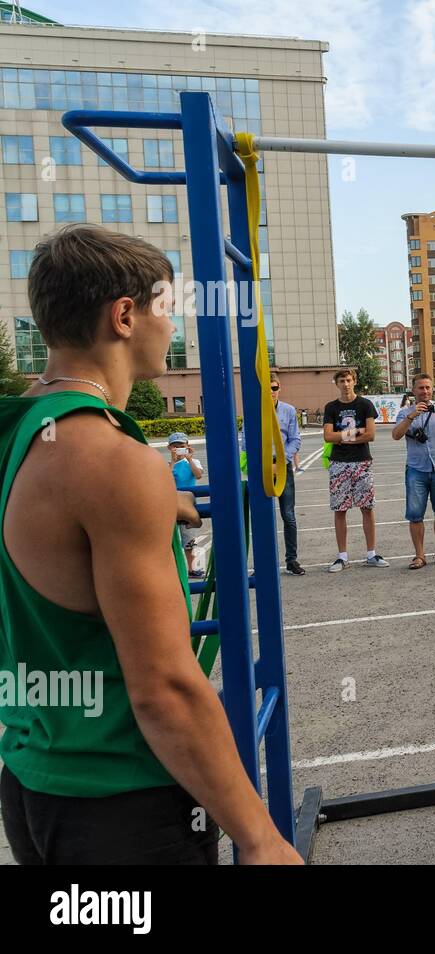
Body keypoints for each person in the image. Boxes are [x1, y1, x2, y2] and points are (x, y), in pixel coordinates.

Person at [0, 224, 299, 864]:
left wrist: (160, 504)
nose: (176, 327)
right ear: (125, 315)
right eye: (169, 309)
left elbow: (52, 540)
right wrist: (261, 838)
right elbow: (163, 688)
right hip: (124, 803)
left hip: (35, 785)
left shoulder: (22, 433)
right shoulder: (115, 462)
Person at [393, 372, 435, 568]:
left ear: (432, 389)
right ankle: (419, 555)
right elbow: (396, 435)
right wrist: (412, 416)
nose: (425, 391)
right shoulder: (404, 413)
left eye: (428, 387)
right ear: (413, 390)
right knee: (415, 514)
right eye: (421, 388)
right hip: (416, 469)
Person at [323, 369, 387, 572]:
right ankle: (342, 556)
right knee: (340, 509)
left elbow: (370, 435)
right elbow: (328, 437)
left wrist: (342, 436)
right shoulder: (331, 407)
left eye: (349, 380)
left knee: (367, 507)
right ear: (337, 383)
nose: (346, 384)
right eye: (342, 380)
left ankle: (371, 553)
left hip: (361, 461)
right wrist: (354, 432)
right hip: (339, 463)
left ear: (354, 382)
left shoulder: (365, 405)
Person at [240, 373, 305, 574]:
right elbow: (244, 440)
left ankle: (292, 560)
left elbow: (295, 440)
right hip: (261, 468)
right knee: (261, 515)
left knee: (288, 515)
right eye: (267, 389)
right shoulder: (253, 412)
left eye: (274, 388)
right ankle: (263, 562)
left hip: (282, 467)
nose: (271, 392)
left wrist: (282, 460)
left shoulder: (288, 411)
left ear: (280, 388)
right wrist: (262, 463)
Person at [168, 431, 207, 579]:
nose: (178, 449)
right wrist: (172, 462)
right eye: (175, 447)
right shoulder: (168, 465)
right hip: (172, 502)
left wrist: (189, 459)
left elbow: (198, 475)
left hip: (188, 503)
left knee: (189, 538)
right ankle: (173, 570)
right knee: (170, 538)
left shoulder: (193, 462)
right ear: (169, 448)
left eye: (182, 446)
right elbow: (165, 478)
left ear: (188, 447)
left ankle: (192, 568)